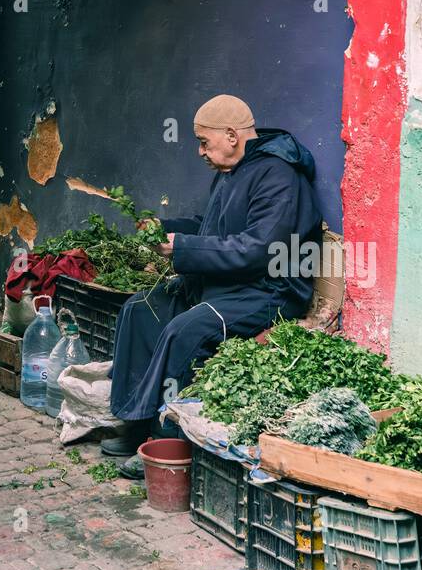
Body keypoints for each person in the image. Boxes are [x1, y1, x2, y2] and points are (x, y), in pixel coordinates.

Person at [103, 94, 323, 459]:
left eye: (205, 142)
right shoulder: (231, 173)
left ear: (232, 136)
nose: (200, 151)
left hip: (268, 291)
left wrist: (183, 249)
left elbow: (260, 249)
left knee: (184, 330)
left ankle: (168, 441)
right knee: (141, 309)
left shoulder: (279, 175)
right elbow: (210, 228)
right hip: (227, 283)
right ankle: (136, 421)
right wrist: (165, 228)